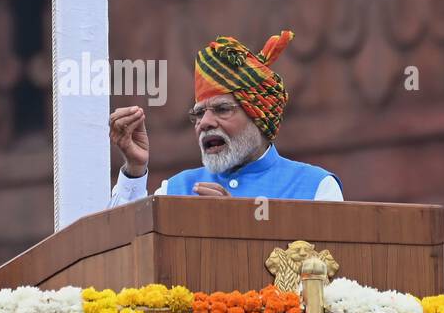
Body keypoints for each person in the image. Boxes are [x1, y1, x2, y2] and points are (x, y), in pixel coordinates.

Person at [108, 30, 343, 206]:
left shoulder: (315, 188)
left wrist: (236, 226)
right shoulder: (175, 189)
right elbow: (123, 253)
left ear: (258, 116)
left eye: (222, 109)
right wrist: (135, 169)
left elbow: (327, 268)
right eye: (199, 113)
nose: (205, 123)